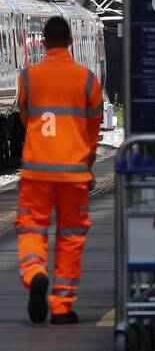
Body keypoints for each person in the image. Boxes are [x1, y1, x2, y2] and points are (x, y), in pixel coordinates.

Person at [15, 16, 103, 325]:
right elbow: (94, 127)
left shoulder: (28, 77)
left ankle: (35, 273)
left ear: (44, 42)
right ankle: (62, 307)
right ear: (69, 42)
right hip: (73, 174)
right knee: (70, 237)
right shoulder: (87, 80)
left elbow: (25, 117)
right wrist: (88, 162)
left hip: (36, 173)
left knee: (31, 229)